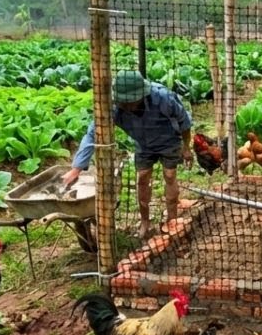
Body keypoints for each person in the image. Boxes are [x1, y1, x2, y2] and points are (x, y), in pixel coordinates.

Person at [63, 70, 193, 239]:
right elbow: (92, 133)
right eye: (123, 101)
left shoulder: (163, 98)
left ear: (142, 95)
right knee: (142, 177)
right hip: (143, 144)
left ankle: (172, 220)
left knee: (169, 175)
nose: (126, 106)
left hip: (169, 140)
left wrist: (186, 147)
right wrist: (77, 168)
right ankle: (145, 221)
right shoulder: (112, 107)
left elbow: (184, 122)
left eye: (131, 101)